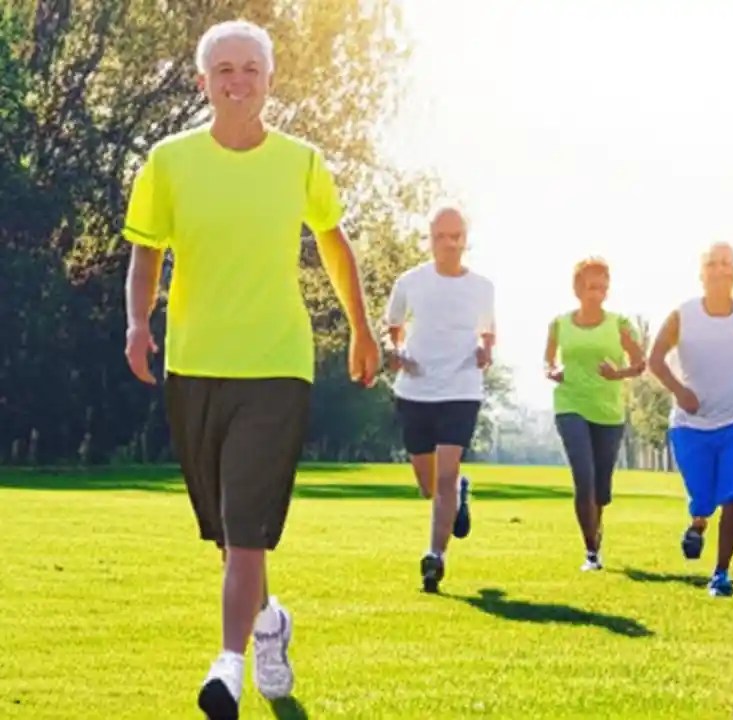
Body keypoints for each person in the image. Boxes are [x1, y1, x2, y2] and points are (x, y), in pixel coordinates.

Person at [121, 20, 380, 719]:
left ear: (271, 81)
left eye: (251, 70)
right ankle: (268, 628)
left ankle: (228, 666)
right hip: (194, 366)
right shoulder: (168, 162)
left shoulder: (300, 162)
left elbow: (334, 243)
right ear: (202, 82)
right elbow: (146, 250)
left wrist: (360, 327)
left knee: (243, 529)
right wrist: (138, 324)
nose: (238, 82)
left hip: (276, 368)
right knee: (232, 534)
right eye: (224, 70)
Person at [648, 242, 733, 597]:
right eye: (713, 264)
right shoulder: (683, 315)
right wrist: (679, 391)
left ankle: (721, 572)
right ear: (701, 273)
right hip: (692, 426)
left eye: (727, 264)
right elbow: (655, 359)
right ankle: (698, 522)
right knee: (704, 497)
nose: (721, 270)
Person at [385, 201, 496, 593]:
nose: (449, 244)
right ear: (429, 241)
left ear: (466, 240)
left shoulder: (482, 287)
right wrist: (395, 352)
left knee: (446, 475)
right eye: (441, 237)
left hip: (462, 389)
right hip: (415, 390)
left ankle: (436, 556)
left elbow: (487, 332)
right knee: (429, 483)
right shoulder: (410, 282)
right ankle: (458, 499)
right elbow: (392, 327)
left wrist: (486, 351)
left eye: (456, 237)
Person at [543, 257, 646, 571]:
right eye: (590, 287)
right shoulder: (559, 324)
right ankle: (590, 552)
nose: (596, 294)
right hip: (570, 404)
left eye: (602, 288)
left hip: (608, 411)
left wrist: (619, 373)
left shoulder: (620, 324)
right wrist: (553, 370)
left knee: (601, 487)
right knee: (583, 478)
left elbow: (640, 363)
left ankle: (595, 532)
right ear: (577, 289)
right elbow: (547, 361)